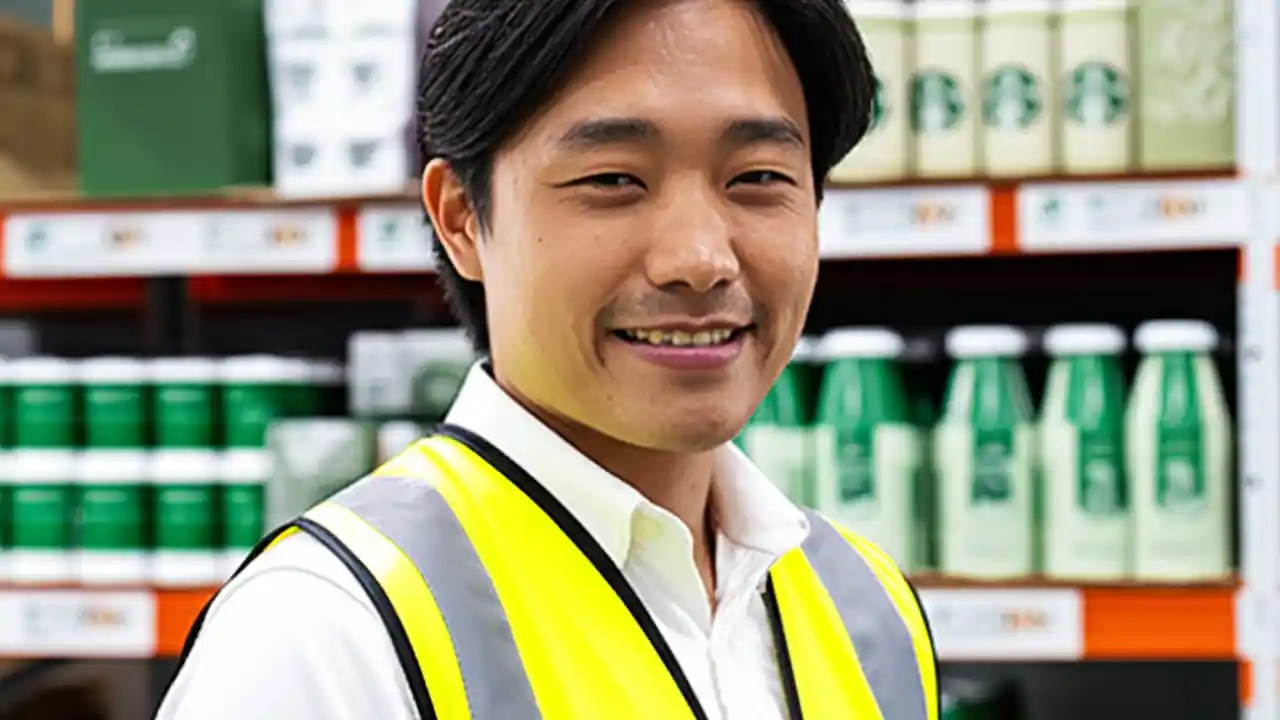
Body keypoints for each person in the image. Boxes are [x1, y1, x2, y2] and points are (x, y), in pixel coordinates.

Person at [158, 0, 938, 718]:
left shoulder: (871, 610)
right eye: (613, 180)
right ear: (461, 219)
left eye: (758, 179)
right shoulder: (324, 633)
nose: (701, 259)